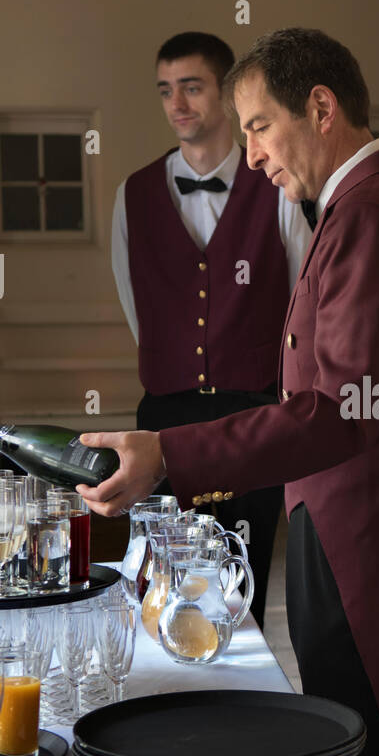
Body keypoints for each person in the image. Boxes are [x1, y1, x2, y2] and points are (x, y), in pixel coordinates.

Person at [81, 27, 379, 756]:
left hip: (364, 542)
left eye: (256, 126)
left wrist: (170, 453)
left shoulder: (368, 219)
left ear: (320, 108)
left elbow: (341, 408)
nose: (251, 157)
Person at [111, 31, 313, 633]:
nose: (177, 103)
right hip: (164, 413)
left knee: (241, 583)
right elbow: (134, 303)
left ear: (225, 96)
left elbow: (304, 296)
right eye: (166, 90)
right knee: (160, 584)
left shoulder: (276, 184)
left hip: (252, 411)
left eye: (192, 87)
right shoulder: (134, 193)